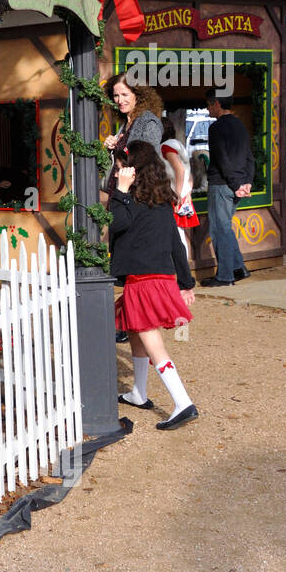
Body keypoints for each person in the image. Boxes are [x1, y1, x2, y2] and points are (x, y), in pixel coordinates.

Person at [109, 140, 199, 431]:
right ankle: (138, 392)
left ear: (132, 170)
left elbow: (116, 224)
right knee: (136, 333)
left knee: (153, 343)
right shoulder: (159, 201)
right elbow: (176, 245)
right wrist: (186, 283)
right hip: (156, 278)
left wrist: (120, 191)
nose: (116, 172)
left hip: (144, 282)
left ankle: (182, 402)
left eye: (120, 167)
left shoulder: (129, 199)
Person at [202, 87, 254, 286]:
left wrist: (235, 184)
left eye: (208, 105)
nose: (208, 109)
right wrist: (246, 183)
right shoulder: (240, 125)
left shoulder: (216, 128)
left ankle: (225, 276)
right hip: (237, 185)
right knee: (225, 228)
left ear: (216, 103)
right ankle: (238, 268)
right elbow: (250, 158)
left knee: (219, 230)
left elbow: (222, 159)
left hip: (222, 184)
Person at [101, 72, 163, 202]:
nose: (120, 100)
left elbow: (150, 165)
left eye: (124, 95)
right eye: (116, 96)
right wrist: (110, 148)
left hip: (137, 198)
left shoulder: (148, 122)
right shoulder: (125, 124)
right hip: (119, 193)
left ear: (138, 96)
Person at [160, 118, 200, 262]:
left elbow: (180, 169)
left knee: (175, 233)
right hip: (184, 193)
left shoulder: (165, 147)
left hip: (174, 193)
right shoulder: (179, 145)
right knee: (179, 232)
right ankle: (183, 266)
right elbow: (188, 171)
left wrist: (176, 193)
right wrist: (187, 192)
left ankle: (180, 267)